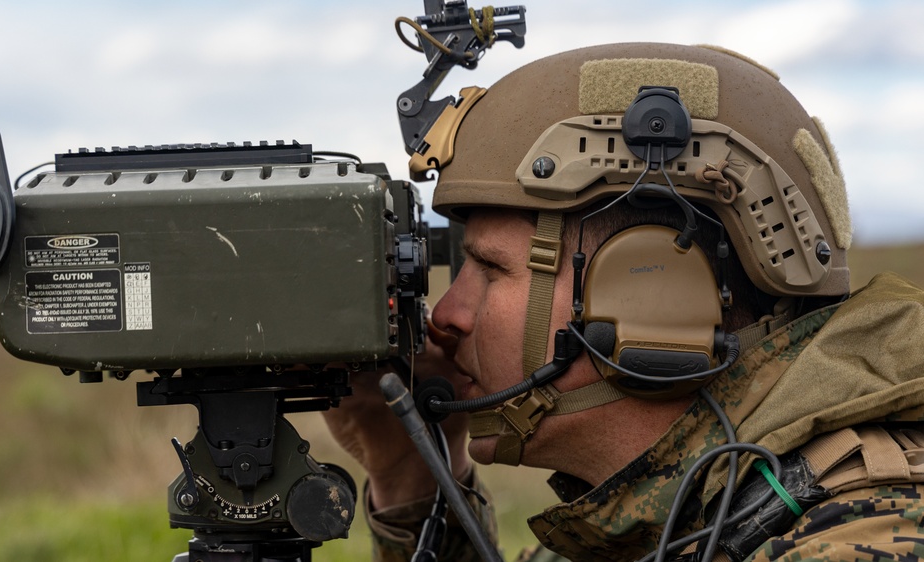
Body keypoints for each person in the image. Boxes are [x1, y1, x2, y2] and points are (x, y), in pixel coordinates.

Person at [323, 42, 924, 562]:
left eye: (488, 268)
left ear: (652, 293)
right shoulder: (699, 510)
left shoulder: (860, 538)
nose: (447, 315)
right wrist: (409, 469)